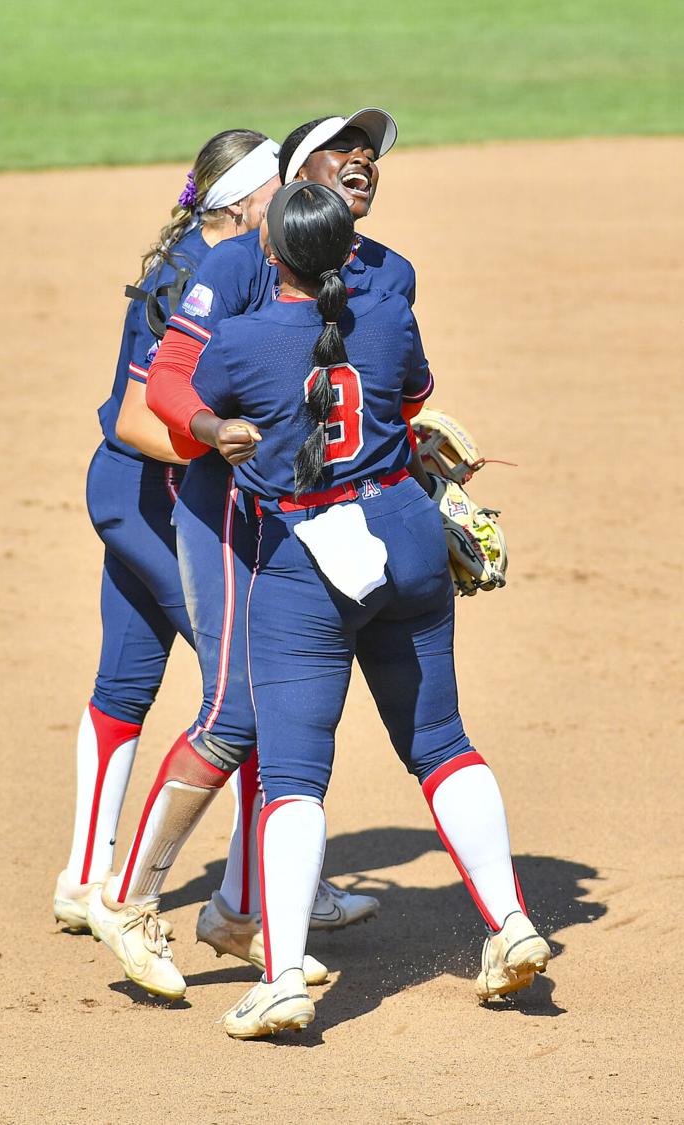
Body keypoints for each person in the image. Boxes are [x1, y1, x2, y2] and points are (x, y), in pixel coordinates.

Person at [189, 181, 552, 1038]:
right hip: (405, 535)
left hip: (303, 564)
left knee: (292, 776)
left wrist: (216, 427)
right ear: (347, 251)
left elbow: (205, 412)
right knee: (440, 741)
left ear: (269, 254)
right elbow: (411, 396)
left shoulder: (238, 340)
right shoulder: (389, 314)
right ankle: (511, 922)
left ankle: (282, 978)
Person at [86, 110, 414, 999]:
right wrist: (211, 428)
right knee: (233, 707)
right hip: (223, 513)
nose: (360, 169)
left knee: (282, 710)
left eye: (369, 159)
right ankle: (129, 899)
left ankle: (239, 909)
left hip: (299, 522)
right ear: (293, 178)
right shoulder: (229, 267)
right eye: (340, 157)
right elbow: (158, 391)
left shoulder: (354, 270)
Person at [52, 129, 282, 943]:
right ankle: (251, 902)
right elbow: (133, 419)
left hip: (140, 497)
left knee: (125, 681)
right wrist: (225, 438)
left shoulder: (224, 258)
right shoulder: (194, 273)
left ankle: (84, 879)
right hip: (147, 495)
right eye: (277, 186)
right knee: (247, 693)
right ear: (244, 199)